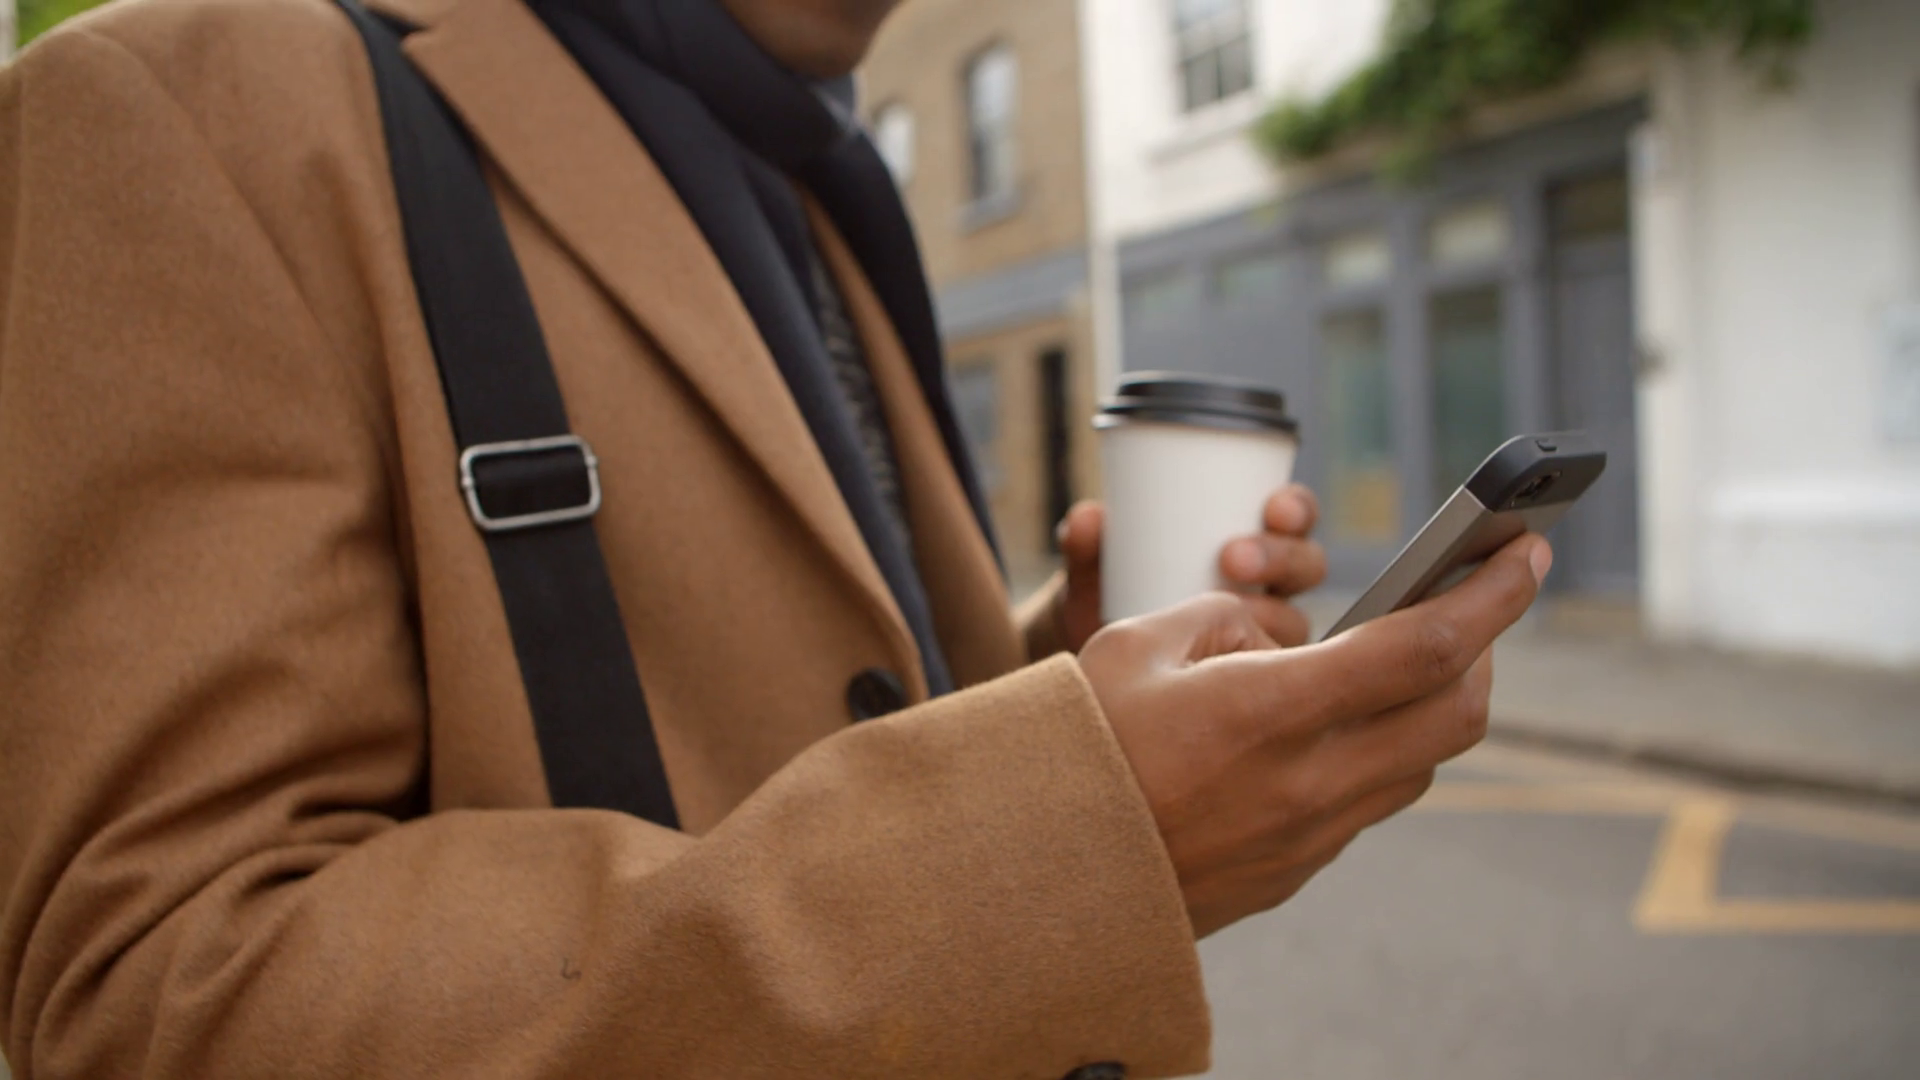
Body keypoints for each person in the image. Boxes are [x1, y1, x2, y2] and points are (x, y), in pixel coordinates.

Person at [0, 0, 1551, 1076]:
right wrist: (1055, 825)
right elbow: (151, 995)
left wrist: (1052, 681)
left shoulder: (816, 194)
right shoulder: (182, 101)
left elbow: (800, 696)